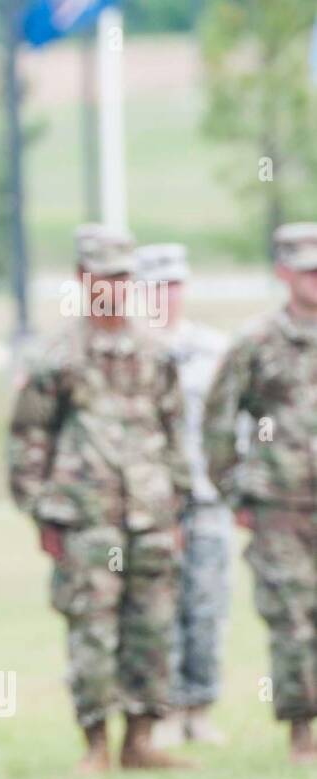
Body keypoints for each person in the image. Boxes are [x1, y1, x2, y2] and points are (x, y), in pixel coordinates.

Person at [9, 224, 192, 773]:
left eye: (122, 276)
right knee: (91, 629)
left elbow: (175, 431)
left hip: (152, 516)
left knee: (153, 628)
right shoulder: (58, 357)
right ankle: (95, 744)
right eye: (103, 275)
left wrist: (178, 506)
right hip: (86, 518)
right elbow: (29, 440)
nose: (114, 286)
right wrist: (42, 510)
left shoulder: (155, 353)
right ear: (82, 279)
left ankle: (141, 739)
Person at [203, 222, 317, 765]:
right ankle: (302, 732)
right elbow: (219, 421)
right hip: (281, 502)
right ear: (284, 273)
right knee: (291, 614)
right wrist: (234, 491)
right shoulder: (256, 342)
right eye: (306, 269)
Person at [136, 244, 231, 748]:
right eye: (155, 287)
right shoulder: (129, 354)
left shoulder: (214, 349)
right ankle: (165, 707)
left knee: (208, 603)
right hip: (149, 502)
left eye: (173, 286)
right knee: (157, 606)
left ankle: (200, 706)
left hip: (207, 495)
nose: (165, 297)